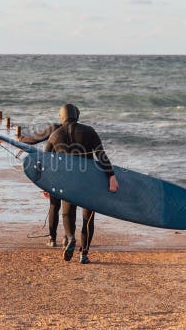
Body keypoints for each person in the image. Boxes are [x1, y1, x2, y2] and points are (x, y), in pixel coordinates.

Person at [45, 104, 118, 264]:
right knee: (88, 219)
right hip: (89, 182)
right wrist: (111, 176)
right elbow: (101, 155)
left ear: (61, 116)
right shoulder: (89, 131)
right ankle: (84, 254)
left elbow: (46, 163)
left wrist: (47, 184)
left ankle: (70, 237)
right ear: (76, 115)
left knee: (67, 214)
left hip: (68, 183)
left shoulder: (55, 135)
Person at [18, 122, 61, 247]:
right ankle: (68, 238)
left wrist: (21, 139)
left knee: (54, 206)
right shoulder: (76, 131)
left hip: (55, 173)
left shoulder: (55, 128)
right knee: (69, 209)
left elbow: (34, 140)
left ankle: (52, 239)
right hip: (72, 174)